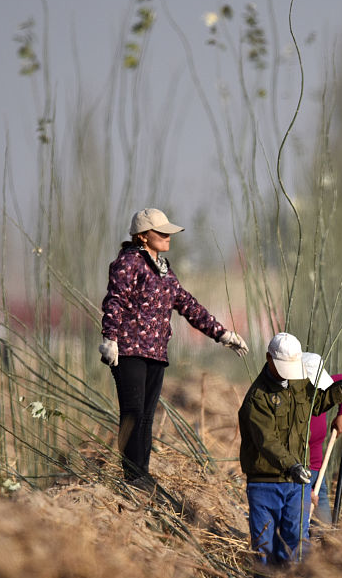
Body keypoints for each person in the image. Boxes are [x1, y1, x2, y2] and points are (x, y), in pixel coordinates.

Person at [99, 208, 248, 485]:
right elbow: (114, 300)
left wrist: (223, 334)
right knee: (132, 413)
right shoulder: (128, 263)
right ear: (143, 236)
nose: (168, 237)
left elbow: (188, 305)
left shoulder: (165, 270)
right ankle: (132, 476)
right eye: (161, 232)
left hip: (156, 353)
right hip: (129, 350)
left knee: (145, 417)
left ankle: (141, 473)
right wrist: (109, 337)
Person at [238, 333, 342, 568]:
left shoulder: (299, 381)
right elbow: (267, 441)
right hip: (266, 482)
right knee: (265, 546)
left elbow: (318, 403)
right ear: (268, 359)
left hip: (296, 482)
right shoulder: (257, 398)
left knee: (297, 542)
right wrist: (292, 465)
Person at [300, 351, 342, 529]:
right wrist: (305, 492)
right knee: (299, 534)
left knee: (325, 532)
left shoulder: (322, 391)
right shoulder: (292, 406)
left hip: (318, 475)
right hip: (297, 480)